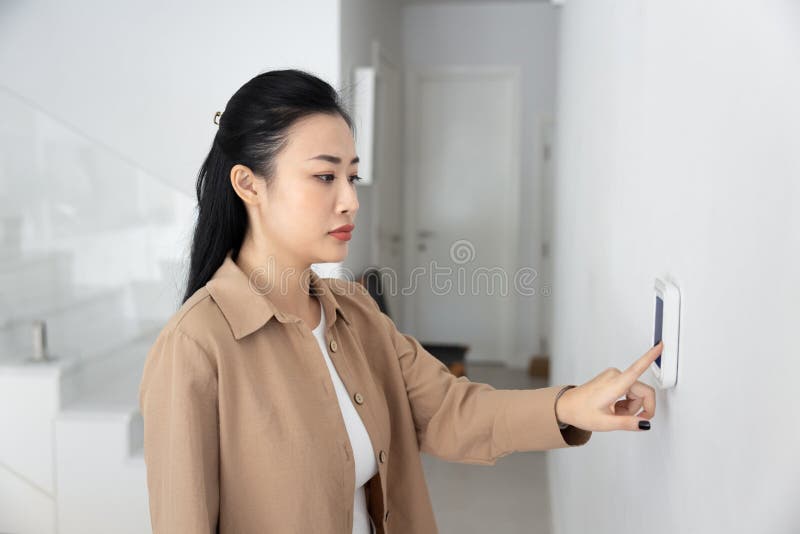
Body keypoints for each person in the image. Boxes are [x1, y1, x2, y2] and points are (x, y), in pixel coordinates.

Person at [138, 68, 662, 534]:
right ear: (249, 184)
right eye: (325, 176)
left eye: (351, 175)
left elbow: (450, 412)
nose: (350, 199)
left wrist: (572, 404)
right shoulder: (195, 348)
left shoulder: (355, 311)